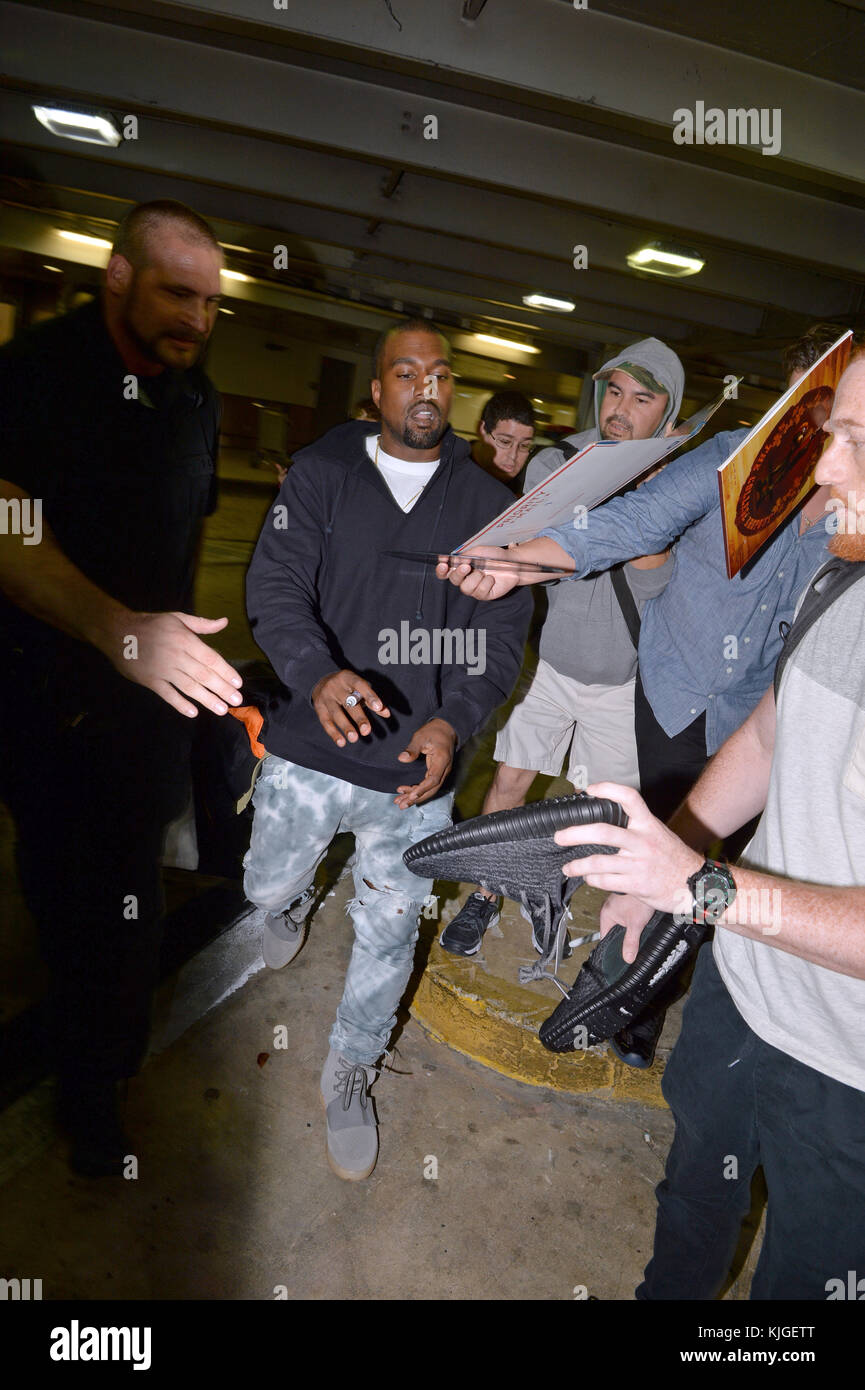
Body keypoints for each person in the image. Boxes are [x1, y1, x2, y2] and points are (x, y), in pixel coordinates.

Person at [550, 349, 865, 1299]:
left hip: (845, 1066)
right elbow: (772, 731)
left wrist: (702, 888)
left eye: (853, 441)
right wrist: (667, 859)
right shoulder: (844, 574)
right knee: (692, 1199)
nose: (820, 470)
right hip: (746, 995)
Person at [242, 318, 532, 1181]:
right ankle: (287, 902)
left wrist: (457, 718)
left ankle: (352, 1067)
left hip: (415, 771)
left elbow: (503, 629)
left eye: (440, 375)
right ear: (377, 392)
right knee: (263, 881)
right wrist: (316, 674)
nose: (425, 389)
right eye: (405, 374)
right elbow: (276, 585)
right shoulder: (324, 473)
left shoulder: (488, 507)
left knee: (391, 927)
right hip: (308, 740)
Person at [0, 200, 244, 1176]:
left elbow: (180, 539)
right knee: (63, 890)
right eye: (177, 294)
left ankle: (95, 1090)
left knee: (122, 901)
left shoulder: (196, 395)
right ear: (117, 276)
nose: (195, 318)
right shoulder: (35, 374)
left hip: (143, 707)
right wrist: (114, 629)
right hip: (33, 687)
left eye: (212, 303)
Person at [440, 339, 683, 959]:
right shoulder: (558, 462)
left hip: (622, 683)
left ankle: (592, 919)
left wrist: (652, 497)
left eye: (642, 399)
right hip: (548, 669)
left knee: (609, 819)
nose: (620, 410)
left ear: (669, 413)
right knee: (509, 786)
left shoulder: (676, 485)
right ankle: (490, 891)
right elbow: (543, 555)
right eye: (615, 392)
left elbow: (655, 581)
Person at [470, 390, 535, 489]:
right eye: (505, 442)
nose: (513, 456)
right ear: (482, 430)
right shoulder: (447, 471)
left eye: (524, 445)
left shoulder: (525, 491)